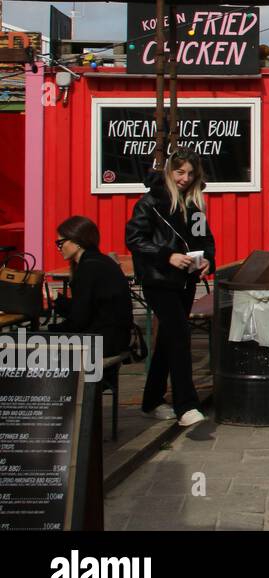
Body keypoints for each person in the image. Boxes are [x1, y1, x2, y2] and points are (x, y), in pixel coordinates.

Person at [124, 150, 215, 428]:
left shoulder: (195, 203)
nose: (185, 178)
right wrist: (167, 255)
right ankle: (186, 405)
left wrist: (208, 259)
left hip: (185, 281)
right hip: (158, 280)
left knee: (168, 339)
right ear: (169, 172)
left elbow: (205, 238)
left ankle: (151, 400)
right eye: (180, 172)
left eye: (190, 173)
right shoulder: (150, 202)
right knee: (178, 335)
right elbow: (134, 238)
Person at [53, 216, 134, 394]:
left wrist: (50, 331)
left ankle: (58, 407)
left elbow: (78, 321)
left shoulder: (88, 269)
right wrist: (56, 299)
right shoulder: (101, 261)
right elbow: (85, 310)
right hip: (114, 337)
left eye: (60, 243)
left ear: (77, 241)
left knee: (28, 349)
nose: (58, 248)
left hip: (102, 341)